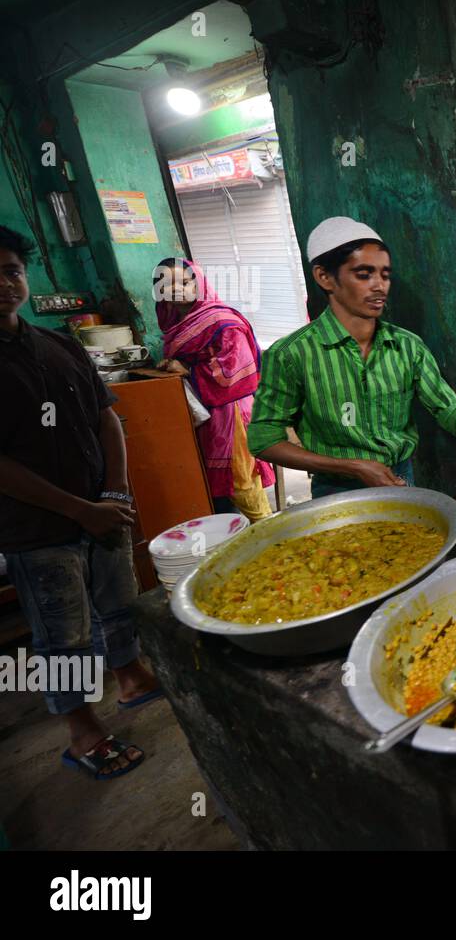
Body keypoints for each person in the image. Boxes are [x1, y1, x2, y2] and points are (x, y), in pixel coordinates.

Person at [0, 225, 159, 780]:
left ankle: (132, 675)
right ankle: (83, 729)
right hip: (37, 529)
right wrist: (78, 509)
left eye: (11, 271)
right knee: (62, 635)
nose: (4, 284)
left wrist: (113, 492)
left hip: (103, 509)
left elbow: (106, 416)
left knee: (120, 601)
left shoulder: (58, 344)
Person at [247, 217, 456, 496]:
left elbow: (451, 411)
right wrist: (352, 466)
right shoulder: (290, 356)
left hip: (400, 480)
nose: (379, 286)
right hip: (336, 493)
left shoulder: (407, 347)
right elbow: (264, 441)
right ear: (325, 277)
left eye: (385, 275)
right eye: (363, 274)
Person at [153, 257, 274, 521]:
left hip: (229, 411)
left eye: (185, 282)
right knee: (219, 483)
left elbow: (237, 370)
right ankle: (236, 535)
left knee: (240, 478)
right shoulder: (177, 326)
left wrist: (187, 371)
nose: (177, 290)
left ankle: (268, 529)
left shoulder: (222, 321)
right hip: (204, 410)